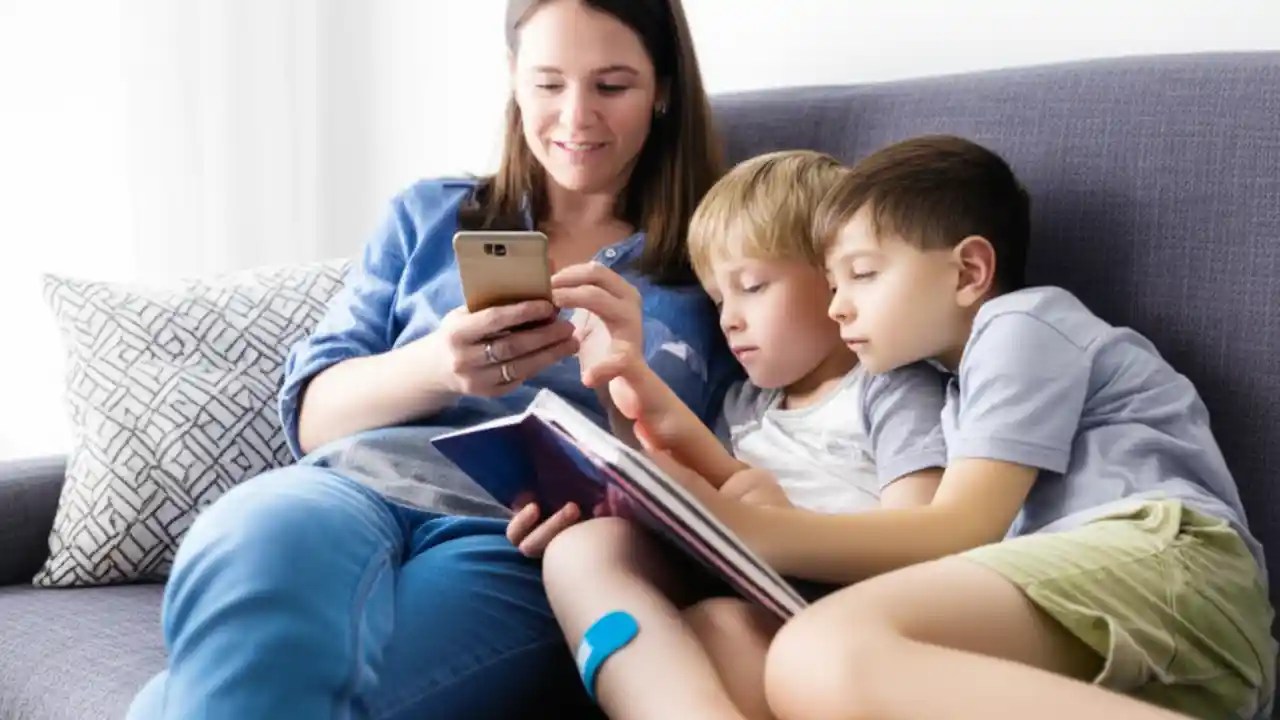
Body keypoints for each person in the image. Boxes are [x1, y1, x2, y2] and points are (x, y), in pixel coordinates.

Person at [126, 1, 734, 718]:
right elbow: (314, 415)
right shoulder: (429, 215)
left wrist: (620, 387)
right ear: (512, 78)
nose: (575, 117)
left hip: (513, 539)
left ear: (663, 88)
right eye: (547, 84)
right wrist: (435, 366)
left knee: (213, 696)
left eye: (611, 86)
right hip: (348, 487)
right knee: (255, 541)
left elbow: (722, 493)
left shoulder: (715, 268)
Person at [646, 135, 1275, 719]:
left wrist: (757, 532)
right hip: (1113, 632)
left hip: (1171, 560)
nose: (838, 306)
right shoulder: (951, 391)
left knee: (821, 650)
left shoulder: (1023, 324)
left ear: (969, 272)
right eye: (834, 283)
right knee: (747, 654)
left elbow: (958, 529)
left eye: (863, 274)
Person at [508, 150, 949, 720]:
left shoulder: (891, 388)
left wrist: (778, 518)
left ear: (837, 279)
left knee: (716, 631)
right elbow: (691, 496)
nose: (729, 319)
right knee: (582, 549)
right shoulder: (745, 405)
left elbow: (919, 548)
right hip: (735, 589)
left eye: (753, 287)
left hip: (834, 620)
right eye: (719, 299)